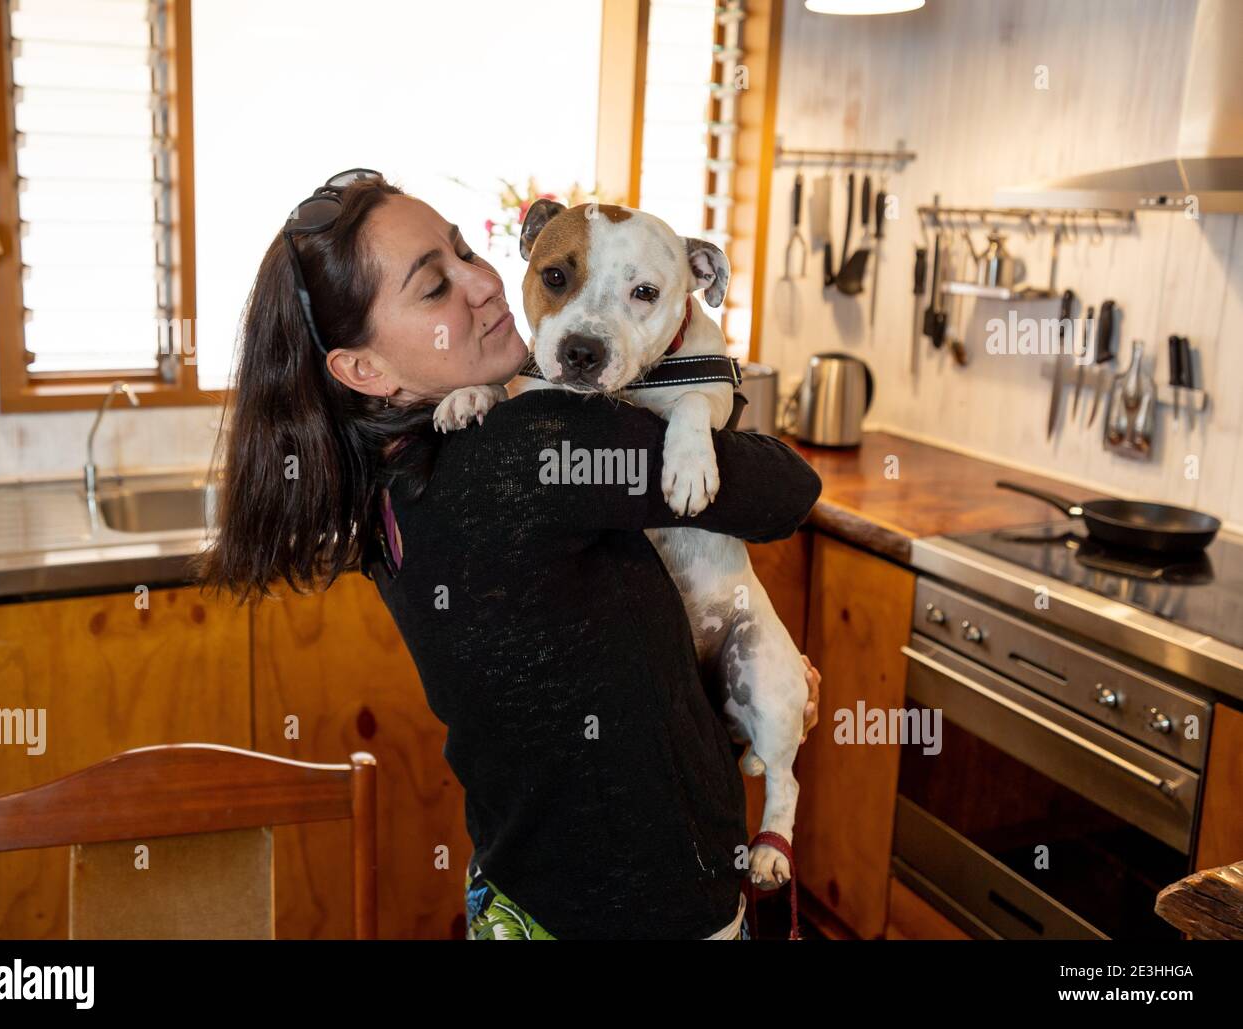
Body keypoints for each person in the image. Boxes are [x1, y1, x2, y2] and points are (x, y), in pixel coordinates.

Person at [196, 169, 823, 939]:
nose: (483, 286)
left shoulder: (395, 478)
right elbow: (787, 487)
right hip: (649, 907)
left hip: (516, 890)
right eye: (434, 288)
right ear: (365, 369)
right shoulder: (538, 447)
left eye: (464, 250)